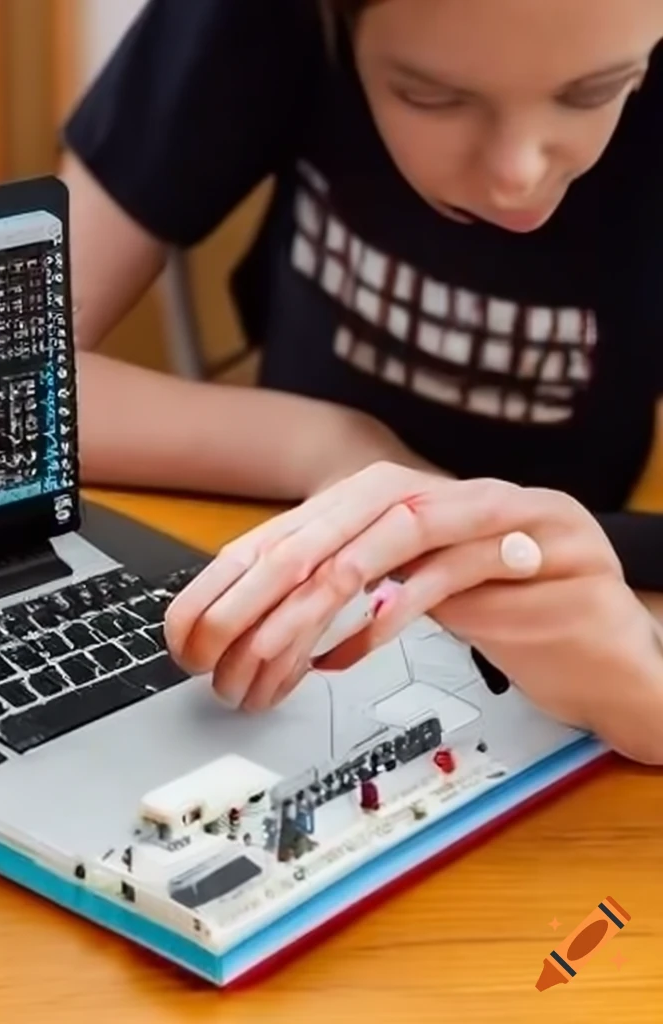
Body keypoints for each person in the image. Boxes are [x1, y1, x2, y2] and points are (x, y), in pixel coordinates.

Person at [60, 0, 663, 763]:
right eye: (432, 97)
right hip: (292, 551)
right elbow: (1, 389)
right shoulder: (255, 22)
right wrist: (332, 447)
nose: (517, 178)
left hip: (595, 582)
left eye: (595, 90)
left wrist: (642, 677)